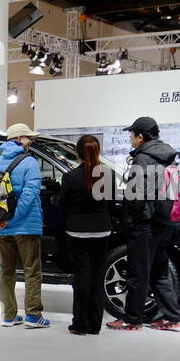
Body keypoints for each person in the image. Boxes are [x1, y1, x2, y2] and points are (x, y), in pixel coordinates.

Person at [107, 115, 180, 332]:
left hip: (145, 224)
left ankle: (133, 319)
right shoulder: (167, 155)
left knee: (137, 273)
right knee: (159, 271)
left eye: (132, 135)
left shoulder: (143, 159)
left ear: (140, 137)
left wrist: (129, 221)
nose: (130, 139)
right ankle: (173, 317)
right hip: (164, 221)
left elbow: (136, 196)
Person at [0, 122, 47, 329]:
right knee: (32, 271)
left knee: (6, 272)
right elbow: (30, 194)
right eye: (28, 138)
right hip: (26, 226)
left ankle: (9, 316)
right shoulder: (29, 163)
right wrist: (14, 218)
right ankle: (33, 316)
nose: (31, 142)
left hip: (1, 228)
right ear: (19, 139)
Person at [58, 134, 114, 335]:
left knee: (81, 278)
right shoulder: (107, 175)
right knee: (98, 278)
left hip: (77, 232)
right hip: (102, 231)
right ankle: (94, 325)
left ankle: (79, 324)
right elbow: (111, 204)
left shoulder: (70, 177)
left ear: (77, 153)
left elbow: (63, 207)